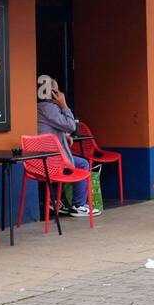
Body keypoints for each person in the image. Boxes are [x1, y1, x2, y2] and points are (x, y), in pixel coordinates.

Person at [36, 77, 99, 218]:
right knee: (82, 164)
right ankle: (79, 205)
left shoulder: (38, 108)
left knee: (70, 160)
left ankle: (56, 202)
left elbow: (48, 128)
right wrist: (64, 105)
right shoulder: (49, 107)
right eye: (56, 91)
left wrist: (63, 136)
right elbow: (71, 125)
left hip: (39, 159)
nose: (59, 94)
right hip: (51, 162)